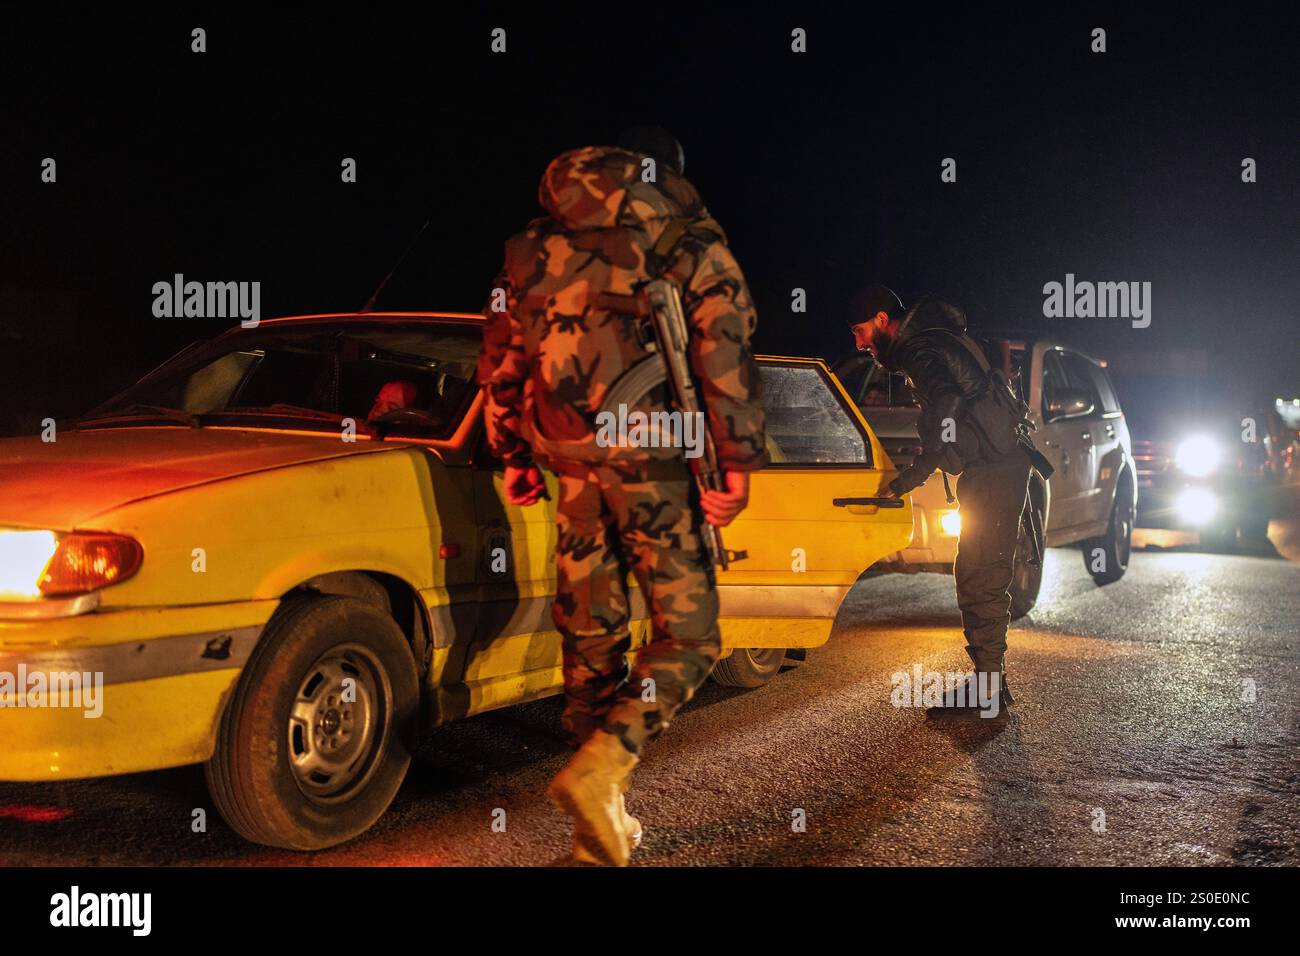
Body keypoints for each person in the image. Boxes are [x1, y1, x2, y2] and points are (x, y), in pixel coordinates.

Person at [477, 127, 768, 863]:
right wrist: (734, 457)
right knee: (693, 636)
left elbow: (502, 359)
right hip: (651, 457)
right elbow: (723, 333)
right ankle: (604, 770)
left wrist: (511, 452)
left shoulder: (528, 248)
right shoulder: (682, 233)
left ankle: (596, 827)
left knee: (592, 643)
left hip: (568, 465)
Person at [850, 285, 1049, 717]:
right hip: (998, 463)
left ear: (883, 321)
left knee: (982, 573)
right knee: (978, 571)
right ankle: (991, 684)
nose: (860, 342)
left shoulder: (916, 348)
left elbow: (948, 399)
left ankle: (989, 691)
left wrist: (922, 467)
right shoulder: (935, 338)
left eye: (861, 330)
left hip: (996, 467)